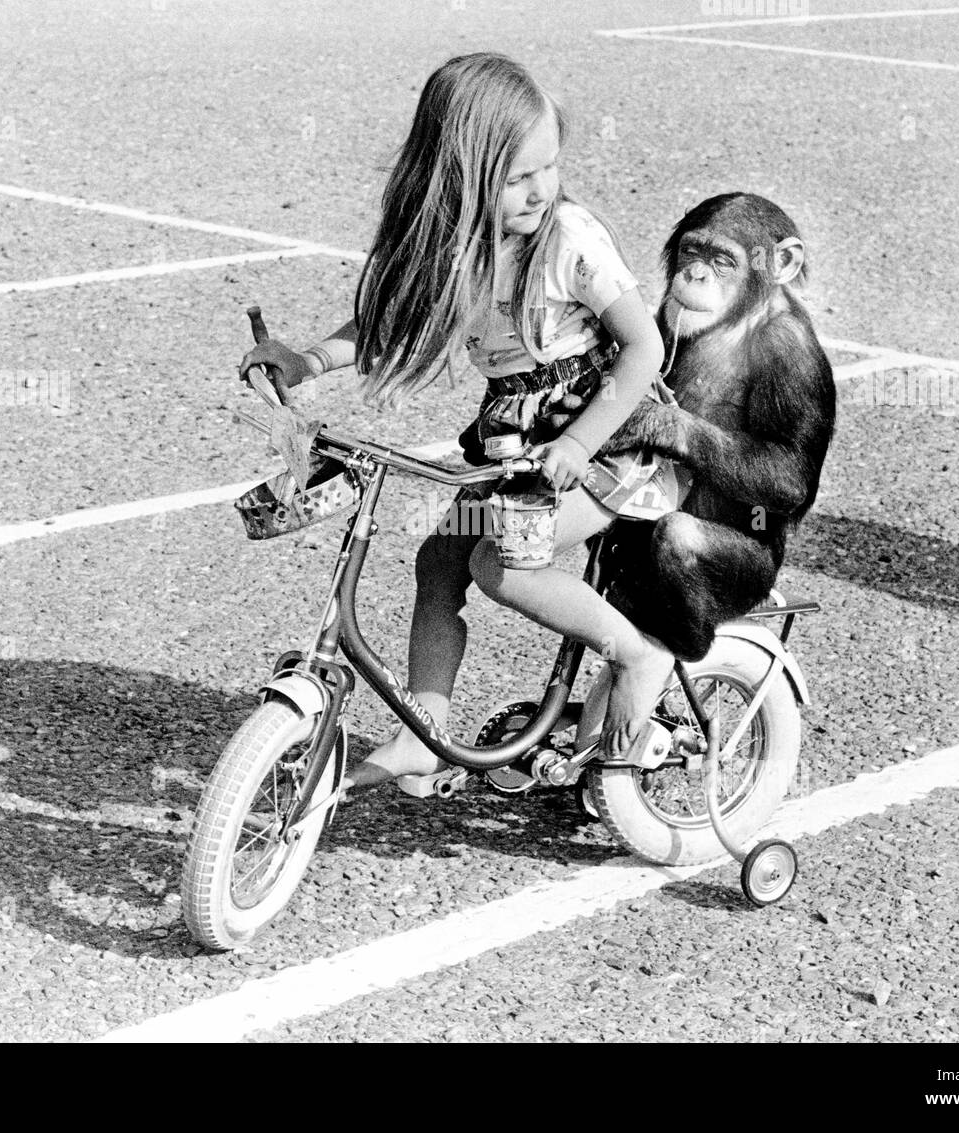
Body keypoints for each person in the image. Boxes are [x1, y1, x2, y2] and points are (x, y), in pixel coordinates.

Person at [240, 53, 685, 788]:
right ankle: (427, 729)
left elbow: (644, 347)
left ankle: (636, 650)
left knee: (503, 563)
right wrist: (306, 362)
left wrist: (578, 441)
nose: (541, 188)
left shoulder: (568, 239)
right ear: (461, 179)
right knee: (440, 560)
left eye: (548, 167)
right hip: (516, 443)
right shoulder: (457, 249)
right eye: (517, 177)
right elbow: (393, 325)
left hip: (610, 436)